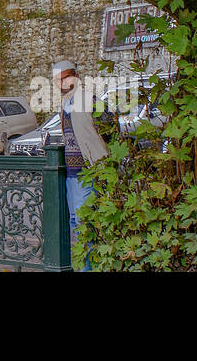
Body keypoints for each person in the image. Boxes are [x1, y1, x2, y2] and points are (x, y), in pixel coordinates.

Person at [54, 60, 116, 271]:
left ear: (75, 76)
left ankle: (89, 268)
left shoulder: (88, 99)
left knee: (85, 223)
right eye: (58, 79)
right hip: (72, 173)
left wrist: (102, 158)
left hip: (88, 170)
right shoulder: (65, 103)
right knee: (76, 222)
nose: (62, 82)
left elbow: (110, 125)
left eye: (65, 77)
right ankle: (87, 265)